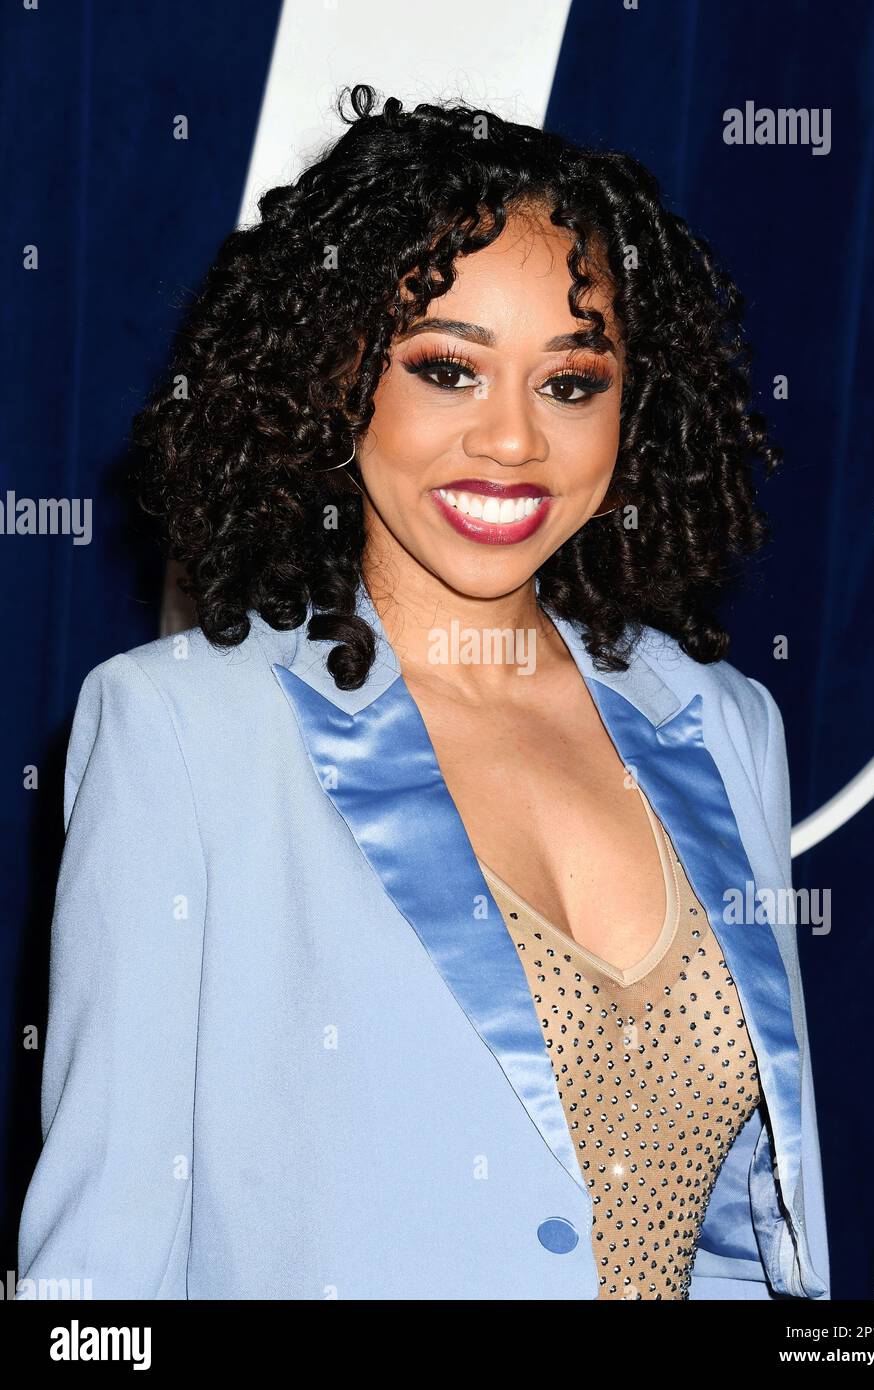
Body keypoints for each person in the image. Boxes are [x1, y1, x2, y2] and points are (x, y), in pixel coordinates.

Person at [17, 84, 830, 1301]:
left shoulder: (721, 725)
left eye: (570, 382)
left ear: (633, 408)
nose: (510, 440)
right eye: (448, 370)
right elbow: (97, 1285)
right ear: (336, 375)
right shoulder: (181, 733)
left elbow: (741, 1243)